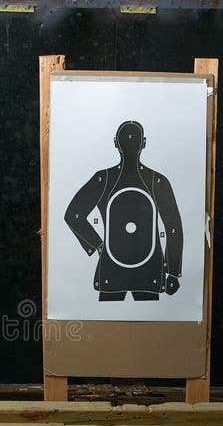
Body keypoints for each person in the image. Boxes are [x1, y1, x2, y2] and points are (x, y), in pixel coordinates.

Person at [64, 120, 183, 301]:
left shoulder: (103, 179)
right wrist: (173, 272)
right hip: (149, 272)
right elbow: (173, 228)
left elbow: (74, 215)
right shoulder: (157, 181)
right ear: (144, 143)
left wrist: (97, 244)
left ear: (115, 143)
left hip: (112, 270)